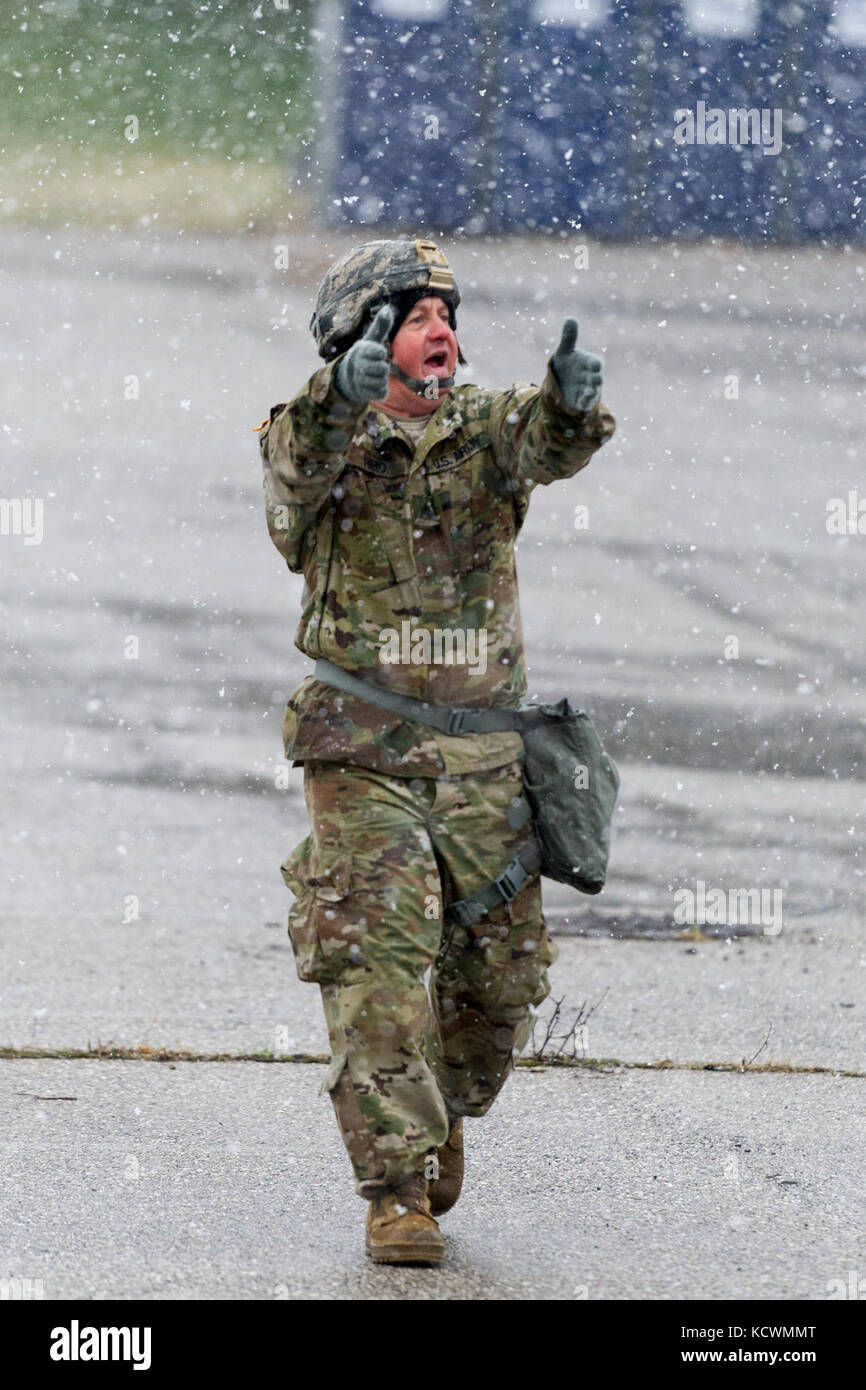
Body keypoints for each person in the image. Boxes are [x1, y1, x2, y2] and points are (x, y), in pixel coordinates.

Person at [258, 238, 615, 1264]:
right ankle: (394, 1189)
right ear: (360, 335)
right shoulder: (314, 439)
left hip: (481, 762)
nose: (439, 330)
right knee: (376, 963)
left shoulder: (486, 430)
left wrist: (567, 401)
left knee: (492, 986)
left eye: (445, 315)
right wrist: (336, 398)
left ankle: (447, 1106)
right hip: (360, 750)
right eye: (414, 315)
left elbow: (544, 443)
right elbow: (291, 483)